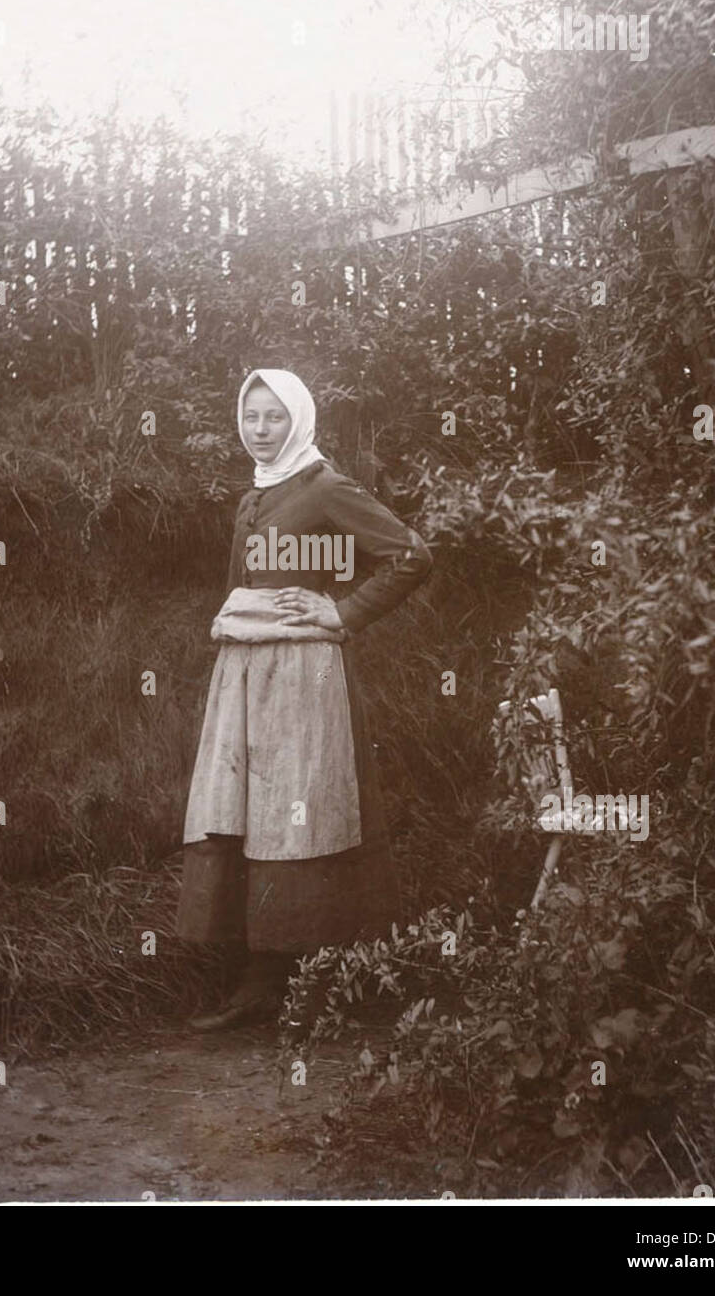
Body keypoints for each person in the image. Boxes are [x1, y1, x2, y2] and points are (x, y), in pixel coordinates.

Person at [176, 368, 432, 1030]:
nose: (260, 431)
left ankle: (319, 986)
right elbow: (243, 588)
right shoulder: (250, 498)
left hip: (305, 676)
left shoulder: (325, 487)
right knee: (246, 813)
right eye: (251, 417)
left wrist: (339, 611)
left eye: (274, 419)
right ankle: (258, 982)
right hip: (245, 673)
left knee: (302, 814)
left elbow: (411, 555)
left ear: (299, 421)